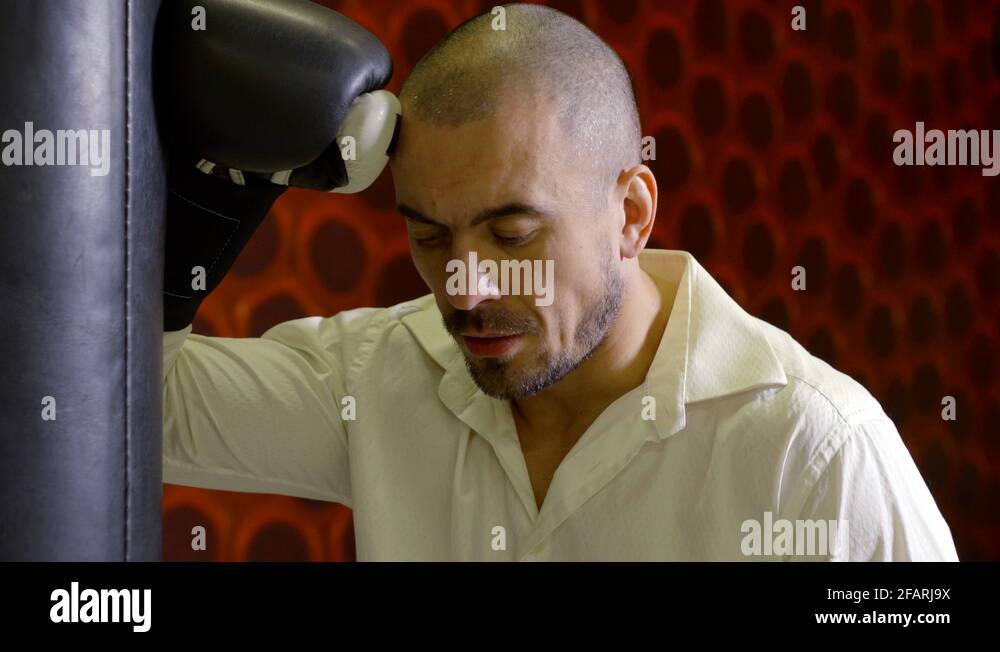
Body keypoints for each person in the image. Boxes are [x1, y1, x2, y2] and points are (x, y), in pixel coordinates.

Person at [162, 3, 958, 561]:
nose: (465, 288)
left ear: (632, 215)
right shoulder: (381, 380)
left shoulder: (816, 457)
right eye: (430, 235)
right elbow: (127, 408)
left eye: (513, 234)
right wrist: (203, 211)